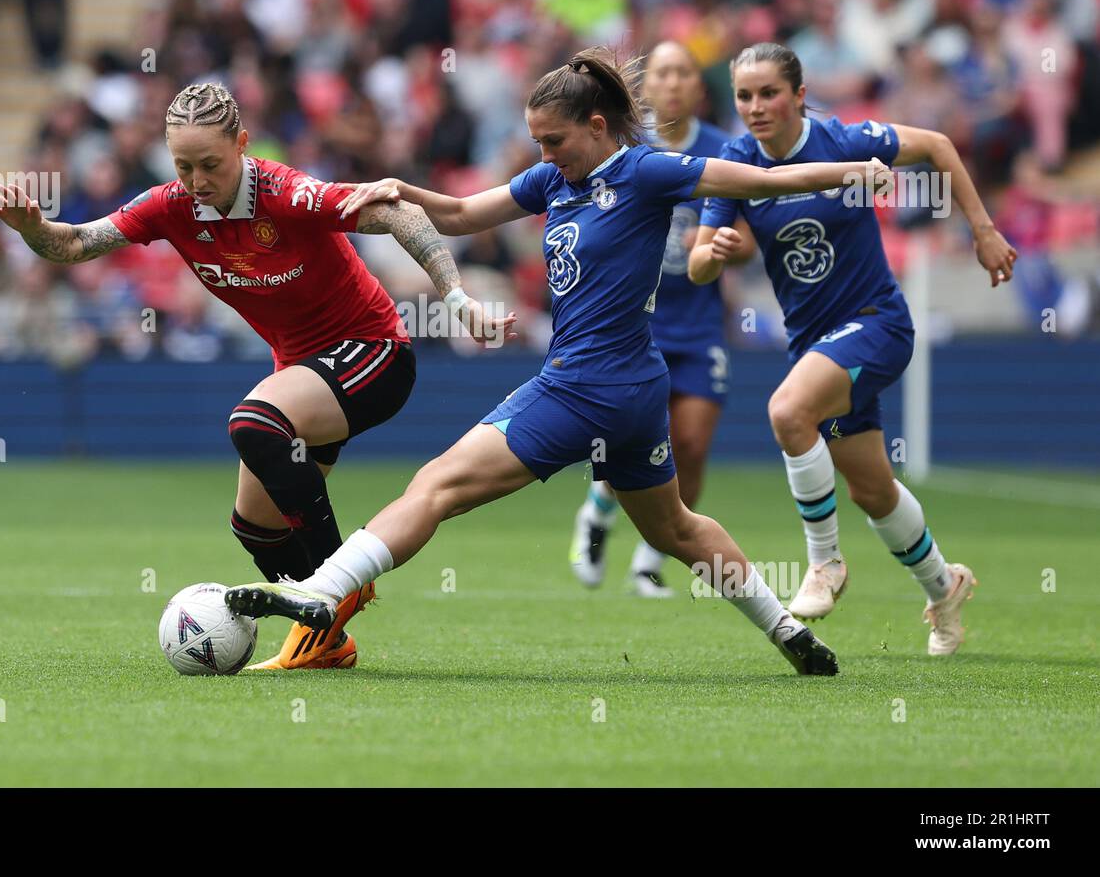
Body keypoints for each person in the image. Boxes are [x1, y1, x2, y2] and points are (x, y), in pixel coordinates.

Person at [225, 46, 900, 677]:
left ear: (598, 126)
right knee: (675, 528)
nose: (546, 155)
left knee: (436, 486)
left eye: (555, 141)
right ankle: (788, 632)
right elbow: (462, 213)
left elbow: (755, 180)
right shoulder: (555, 179)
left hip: (585, 386)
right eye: (539, 142)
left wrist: (850, 172)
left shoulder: (646, 170)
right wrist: (405, 190)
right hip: (635, 389)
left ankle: (322, 588)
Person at [0, 82, 514, 670]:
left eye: (210, 164)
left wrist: (455, 295)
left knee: (254, 422)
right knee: (255, 525)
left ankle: (341, 581)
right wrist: (31, 227)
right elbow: (77, 242)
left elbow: (399, 211)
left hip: (374, 354)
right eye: (182, 165)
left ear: (242, 144)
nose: (196, 179)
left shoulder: (286, 193)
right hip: (304, 375)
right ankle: (327, 646)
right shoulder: (170, 206)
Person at [688, 42, 1018, 655]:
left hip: (877, 323)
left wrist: (983, 229)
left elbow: (939, 146)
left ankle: (825, 564)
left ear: (800, 95)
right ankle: (944, 588)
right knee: (874, 490)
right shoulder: (733, 162)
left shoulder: (842, 141)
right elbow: (698, 265)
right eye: (744, 96)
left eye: (769, 93)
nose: (756, 107)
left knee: (788, 412)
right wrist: (718, 254)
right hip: (814, 344)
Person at [569, 40, 755, 598]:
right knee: (625, 440)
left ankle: (651, 558)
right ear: (644, 90)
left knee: (691, 444)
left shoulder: (727, 150)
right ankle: (598, 512)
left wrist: (729, 247)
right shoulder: (624, 149)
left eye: (685, 74)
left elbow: (748, 238)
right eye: (663, 73)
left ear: (700, 88)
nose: (673, 83)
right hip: (631, 324)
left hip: (698, 324)